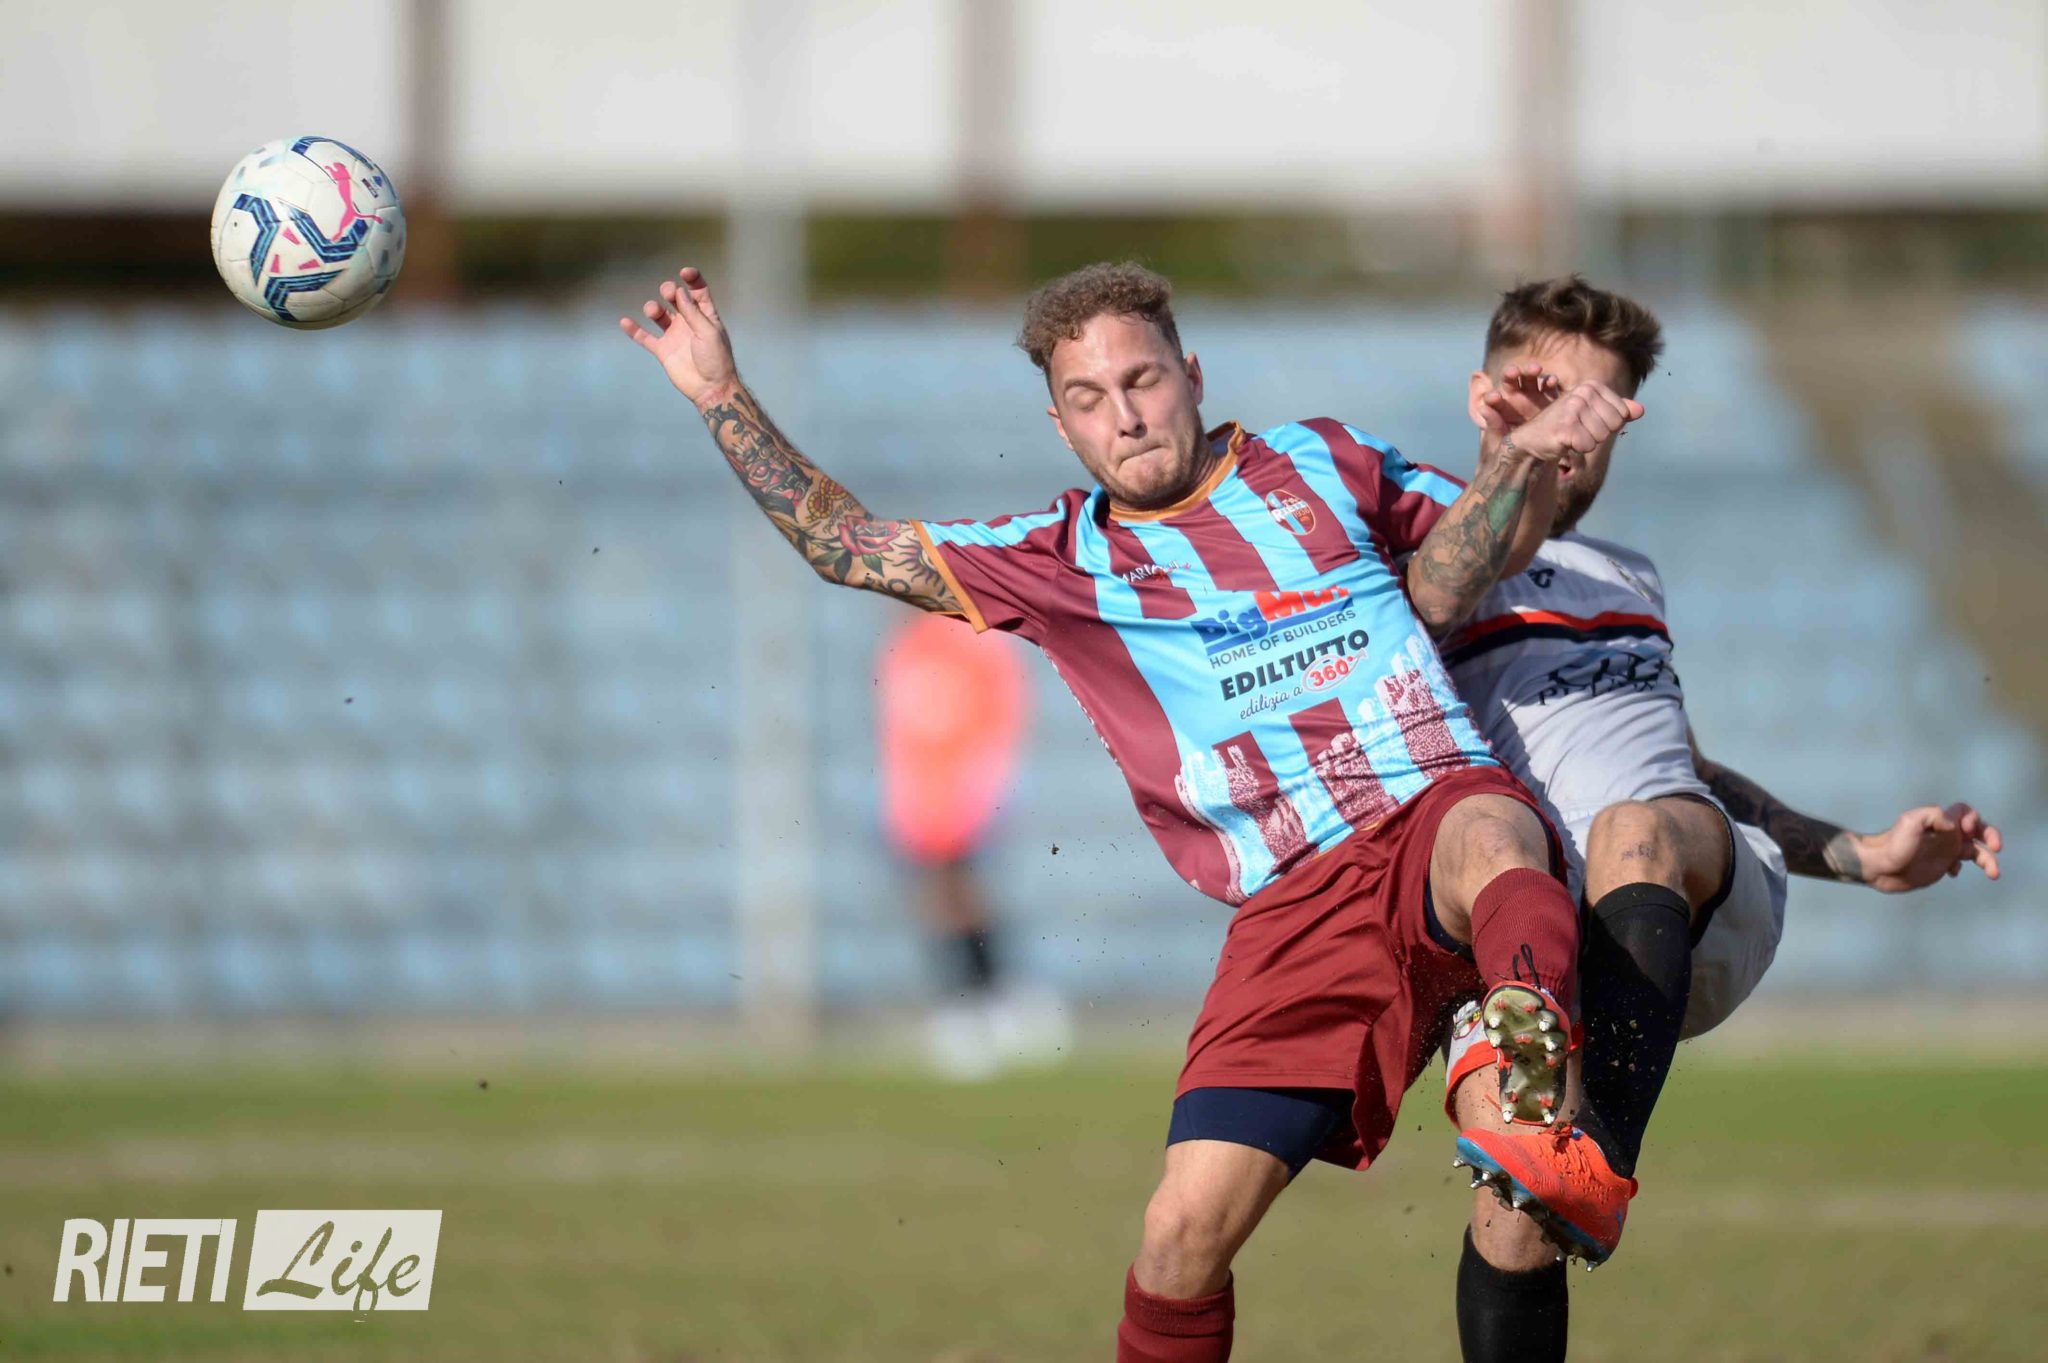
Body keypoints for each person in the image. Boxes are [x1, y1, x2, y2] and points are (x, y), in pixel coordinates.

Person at [619, 259, 1644, 1362]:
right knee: (1176, 1238)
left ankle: (1539, 1087)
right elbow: (843, 545)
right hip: (1293, 906)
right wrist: (720, 392)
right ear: (1060, 428)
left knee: (1489, 833)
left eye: (1142, 379)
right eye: (1089, 399)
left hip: (1425, 802)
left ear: (1191, 376)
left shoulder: (1324, 460)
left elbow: (1465, 569)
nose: (1126, 414)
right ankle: (1524, 1079)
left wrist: (1518, 458)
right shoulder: (1058, 560)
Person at [1429, 277, 2005, 1363]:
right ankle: (1564, 1169)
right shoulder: (1422, 560)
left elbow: (1678, 769)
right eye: (1545, 394)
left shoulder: (1627, 573)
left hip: (1693, 897)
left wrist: (1855, 852)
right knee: (1513, 1218)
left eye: (1597, 409)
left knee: (1634, 828)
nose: (1570, 427)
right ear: (1483, 394)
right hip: (1546, 938)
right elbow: (1427, 602)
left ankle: (1594, 1155)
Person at [875, 612, 1069, 1078]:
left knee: (969, 898)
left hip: (965, 793)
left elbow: (1004, 715)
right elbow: (898, 729)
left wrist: (987, 785)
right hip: (920, 796)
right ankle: (972, 1000)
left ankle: (993, 999)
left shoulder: (972, 641)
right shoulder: (907, 641)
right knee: (940, 901)